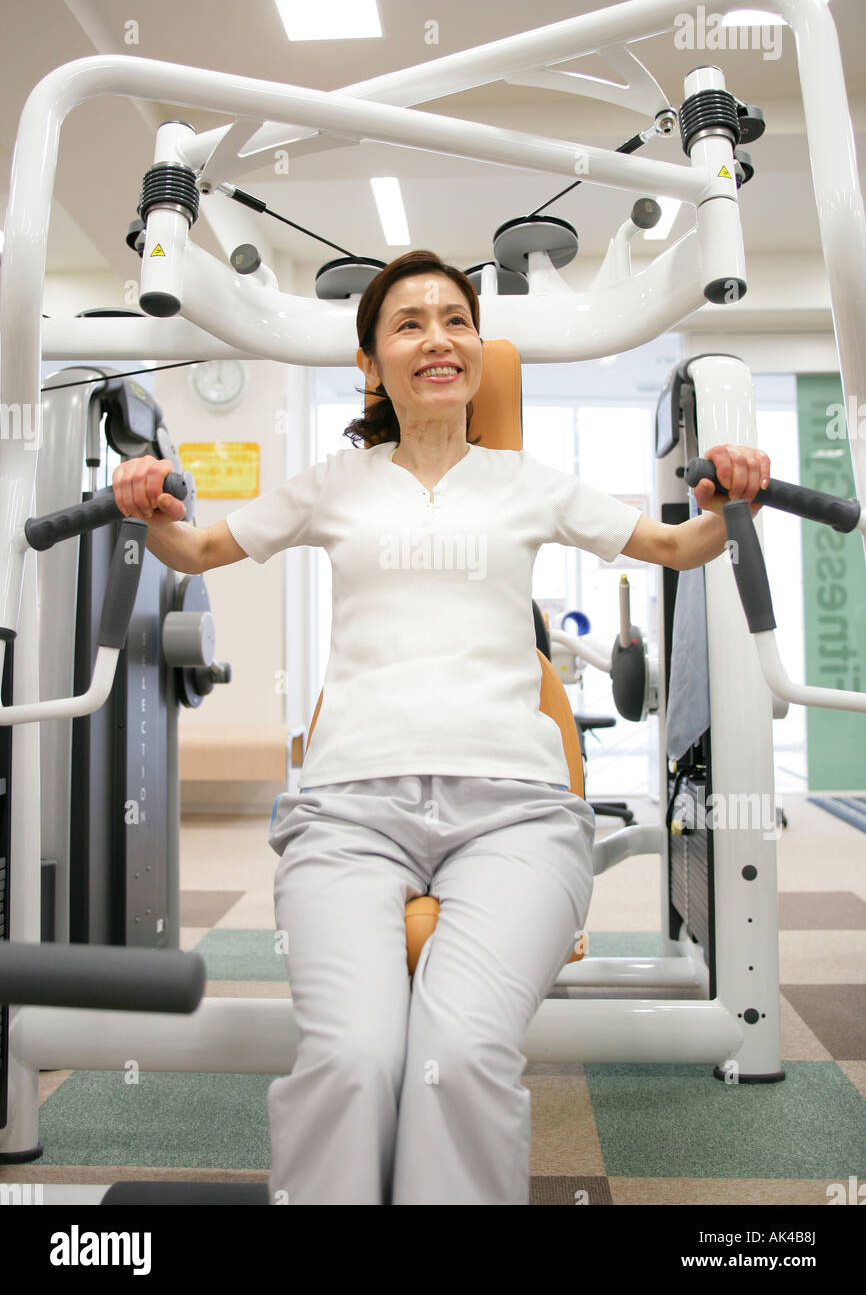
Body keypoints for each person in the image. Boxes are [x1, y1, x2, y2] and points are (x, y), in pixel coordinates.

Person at [112, 249, 770, 1206]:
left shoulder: (527, 482)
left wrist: (729, 495)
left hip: (516, 812)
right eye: (409, 323)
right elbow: (198, 543)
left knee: (460, 1057)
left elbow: (677, 543)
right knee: (351, 1058)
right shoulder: (334, 482)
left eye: (455, 319)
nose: (438, 337)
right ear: (372, 363)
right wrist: (147, 498)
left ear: (476, 348)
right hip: (347, 813)